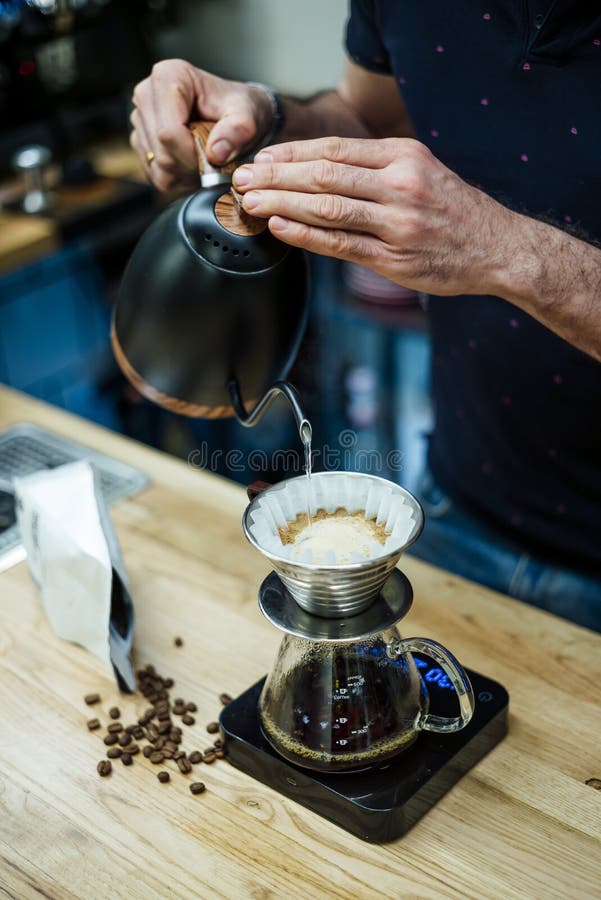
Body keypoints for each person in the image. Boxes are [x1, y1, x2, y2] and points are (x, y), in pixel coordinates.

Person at [129, 1, 601, 631]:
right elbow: (367, 119)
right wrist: (262, 116)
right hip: (461, 504)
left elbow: (498, 242)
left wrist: (505, 248)